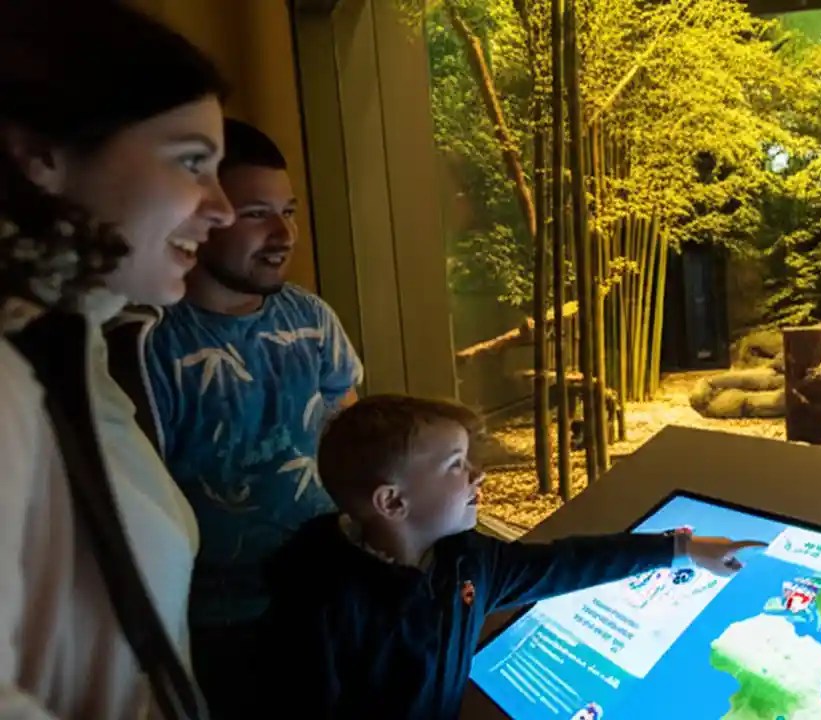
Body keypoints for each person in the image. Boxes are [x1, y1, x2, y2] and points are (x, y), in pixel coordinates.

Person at [0, 3, 235, 718]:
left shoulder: (75, 347)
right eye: (192, 162)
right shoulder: (11, 370)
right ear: (39, 155)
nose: (220, 208)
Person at [257, 395, 765, 719]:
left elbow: (566, 563)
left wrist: (680, 548)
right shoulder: (318, 602)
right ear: (392, 502)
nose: (478, 474)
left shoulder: (465, 563)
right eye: (456, 465)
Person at [138, 118, 363, 715]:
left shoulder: (313, 318)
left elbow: (353, 436)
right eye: (257, 212)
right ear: (201, 214)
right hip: (217, 626)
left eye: (288, 211)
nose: (284, 233)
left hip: (331, 596)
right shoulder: (150, 342)